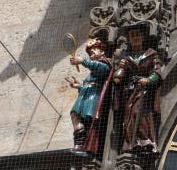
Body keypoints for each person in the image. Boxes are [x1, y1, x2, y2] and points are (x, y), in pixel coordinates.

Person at [113, 22, 162, 154]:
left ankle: (145, 141)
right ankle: (131, 143)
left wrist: (148, 80)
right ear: (128, 39)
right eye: (132, 35)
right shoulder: (124, 56)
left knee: (138, 113)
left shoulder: (151, 54)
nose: (135, 37)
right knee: (129, 116)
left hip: (144, 90)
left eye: (137, 35)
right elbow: (117, 79)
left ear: (143, 37)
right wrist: (121, 67)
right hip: (129, 91)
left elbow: (157, 72)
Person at [66, 37, 113, 157]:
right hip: (85, 94)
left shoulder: (105, 63)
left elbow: (100, 69)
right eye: (89, 52)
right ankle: (79, 143)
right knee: (75, 115)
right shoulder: (92, 70)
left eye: (94, 50)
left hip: (93, 97)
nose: (91, 53)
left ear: (102, 51)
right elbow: (91, 81)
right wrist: (78, 86)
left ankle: (85, 145)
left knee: (87, 119)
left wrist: (82, 61)